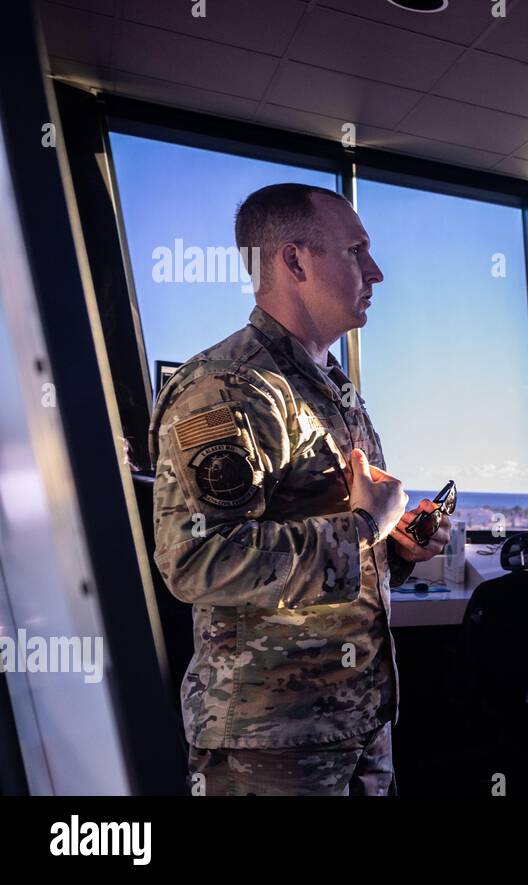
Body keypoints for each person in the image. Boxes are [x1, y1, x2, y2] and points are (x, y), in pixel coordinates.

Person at [149, 183, 450, 796]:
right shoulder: (229, 385)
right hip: (272, 741)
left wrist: (394, 544)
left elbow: (332, 536)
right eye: (356, 251)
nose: (377, 271)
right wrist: (365, 528)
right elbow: (199, 559)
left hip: (358, 723)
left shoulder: (334, 389)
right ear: (294, 261)